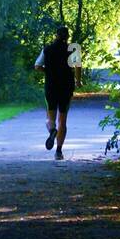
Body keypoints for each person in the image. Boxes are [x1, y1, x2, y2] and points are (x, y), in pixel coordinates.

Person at [34, 26, 81, 160]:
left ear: (56, 35)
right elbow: (78, 67)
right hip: (66, 87)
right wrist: (78, 81)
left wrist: (47, 71)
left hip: (51, 87)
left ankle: (52, 131)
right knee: (63, 120)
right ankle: (59, 152)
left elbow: (37, 66)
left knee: (50, 118)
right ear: (68, 37)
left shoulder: (47, 49)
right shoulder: (74, 48)